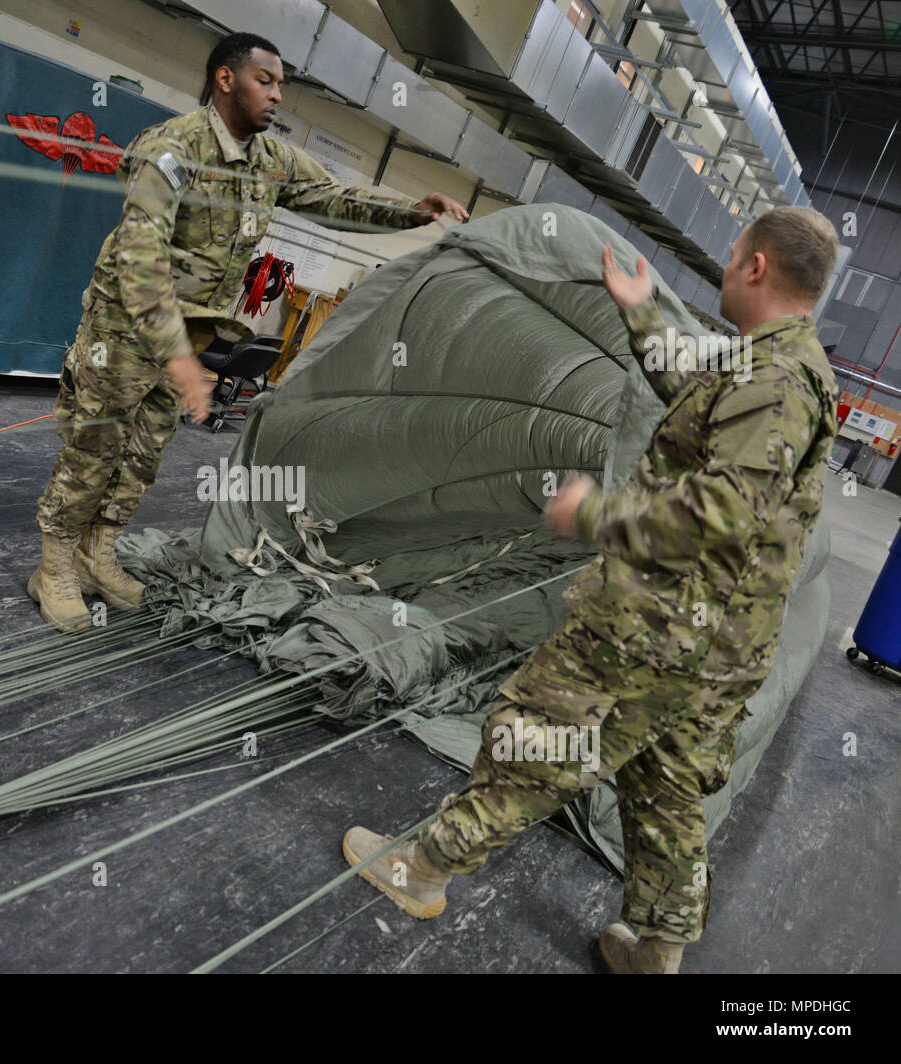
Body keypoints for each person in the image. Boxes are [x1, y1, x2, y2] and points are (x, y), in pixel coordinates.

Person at [342, 206, 842, 973]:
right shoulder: (780, 365)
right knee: (666, 785)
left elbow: (725, 513)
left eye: (732, 251)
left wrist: (598, 514)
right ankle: (657, 951)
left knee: (540, 738)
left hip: (660, 630)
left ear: (757, 267)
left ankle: (424, 868)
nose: (724, 265)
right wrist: (640, 314)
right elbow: (697, 401)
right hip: (717, 648)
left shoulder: (775, 378)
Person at [29, 31, 468, 631]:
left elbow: (331, 198)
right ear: (225, 79)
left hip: (191, 334)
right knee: (94, 447)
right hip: (128, 329)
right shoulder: (172, 149)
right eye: (267, 80)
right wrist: (180, 359)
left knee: (143, 454)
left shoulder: (270, 162)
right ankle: (53, 567)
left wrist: (412, 211)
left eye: (281, 84)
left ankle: (96, 554)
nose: (278, 96)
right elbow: (140, 260)